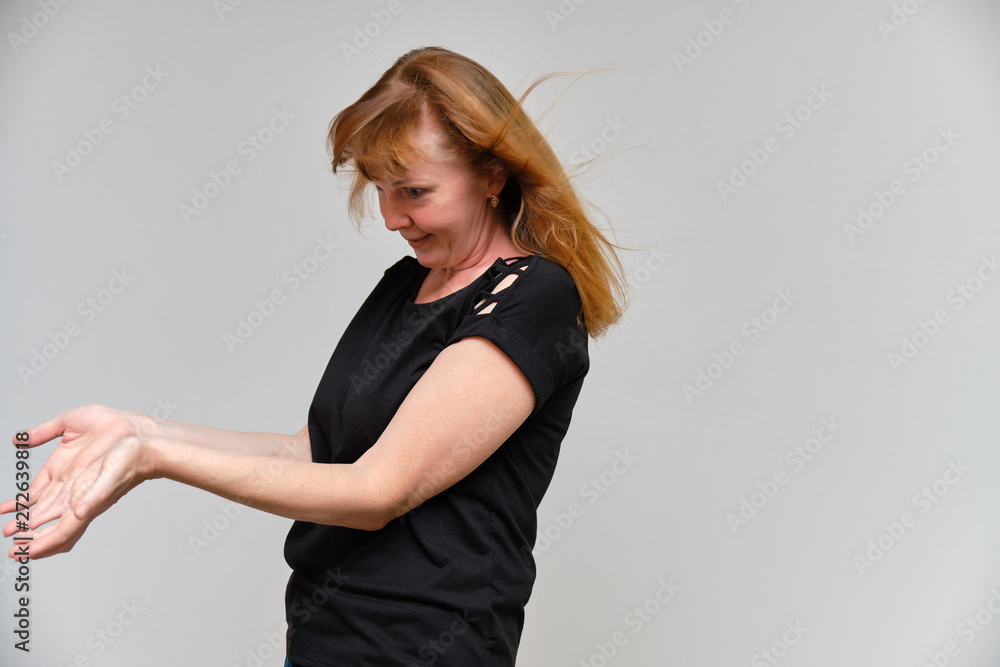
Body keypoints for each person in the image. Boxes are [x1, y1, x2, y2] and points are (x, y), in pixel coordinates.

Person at [3, 46, 627, 666]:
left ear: (493, 174)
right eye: (380, 189)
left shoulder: (533, 296)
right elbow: (314, 451)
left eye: (413, 190)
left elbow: (379, 487)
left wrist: (154, 459)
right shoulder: (404, 283)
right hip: (322, 641)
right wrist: (140, 428)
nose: (390, 217)